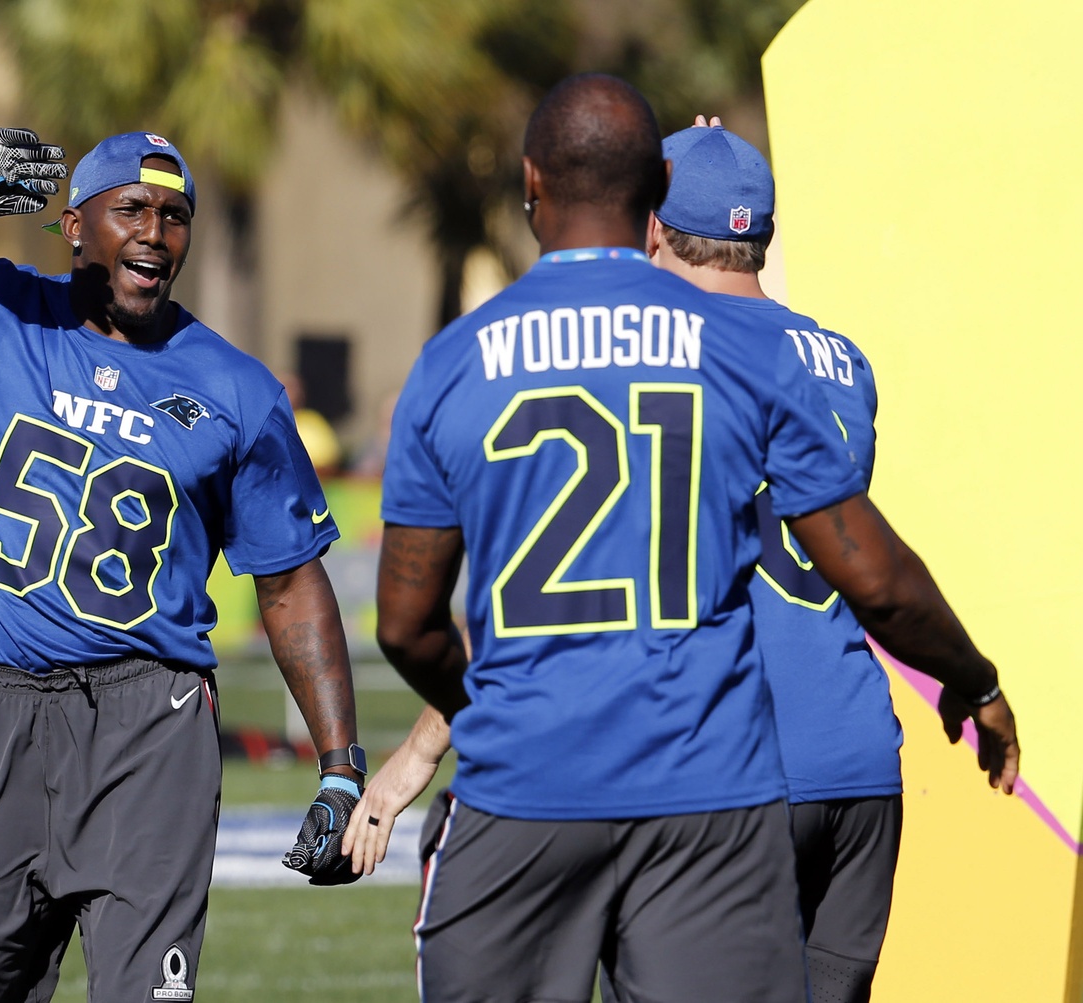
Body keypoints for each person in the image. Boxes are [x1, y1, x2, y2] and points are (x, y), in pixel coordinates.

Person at [341, 73, 1018, 1003]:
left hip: (531, 780)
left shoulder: (456, 360)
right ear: (651, 199)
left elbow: (408, 623)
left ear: (530, 181)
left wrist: (483, 709)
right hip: (715, 787)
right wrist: (972, 677)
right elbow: (876, 576)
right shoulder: (754, 354)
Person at [0, 127, 368, 1003]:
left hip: (147, 724)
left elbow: (289, 579)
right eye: (131, 210)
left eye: (174, 216)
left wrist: (340, 765)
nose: (155, 234)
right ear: (73, 225)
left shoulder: (236, 388)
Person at [635, 116, 903, 1003]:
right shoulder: (847, 364)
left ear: (652, 231)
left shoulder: (661, 359)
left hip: (736, 762)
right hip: (859, 757)